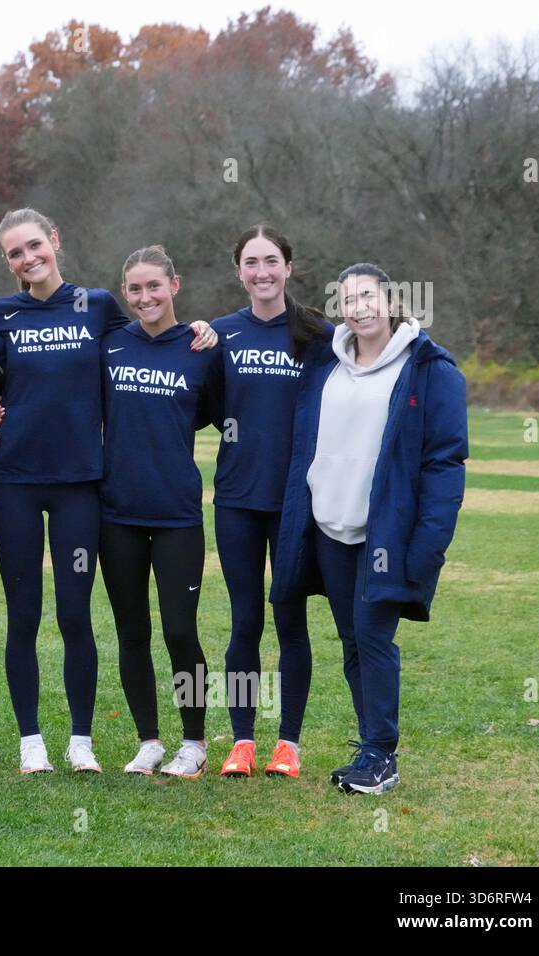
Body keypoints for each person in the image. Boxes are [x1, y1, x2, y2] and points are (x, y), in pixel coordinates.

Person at [0, 208, 216, 774]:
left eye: (34, 245)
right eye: (14, 253)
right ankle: (32, 742)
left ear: (54, 241)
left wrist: (201, 329)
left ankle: (81, 741)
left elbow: (153, 336)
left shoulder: (99, 305)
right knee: (25, 615)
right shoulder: (3, 314)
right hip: (16, 483)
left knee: (76, 616)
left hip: (83, 484)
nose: (27, 258)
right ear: (7, 262)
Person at [272, 262, 467, 793]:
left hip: (386, 536)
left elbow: (445, 465)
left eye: (367, 296)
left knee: (374, 638)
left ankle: (382, 756)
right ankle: (371, 747)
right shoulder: (326, 362)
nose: (358, 307)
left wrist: (426, 547)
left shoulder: (430, 369)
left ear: (391, 300)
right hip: (330, 528)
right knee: (353, 642)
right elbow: (270, 312)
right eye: (348, 299)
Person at [209, 224, 332, 780]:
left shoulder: (317, 333)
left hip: (295, 502)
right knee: (244, 621)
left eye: (271, 261)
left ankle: (288, 743)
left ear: (288, 266)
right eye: (251, 263)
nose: (262, 272)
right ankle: (241, 741)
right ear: (239, 271)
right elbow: (187, 400)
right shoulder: (217, 335)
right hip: (236, 498)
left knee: (290, 620)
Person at [99, 245, 222, 779]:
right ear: (125, 293)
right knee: (131, 631)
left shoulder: (201, 349)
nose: (144, 296)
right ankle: (148, 741)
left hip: (176, 514)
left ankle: (193, 742)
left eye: (154, 285)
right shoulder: (109, 346)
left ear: (176, 284)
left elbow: (214, 415)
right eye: (134, 288)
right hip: (117, 513)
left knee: (178, 630)